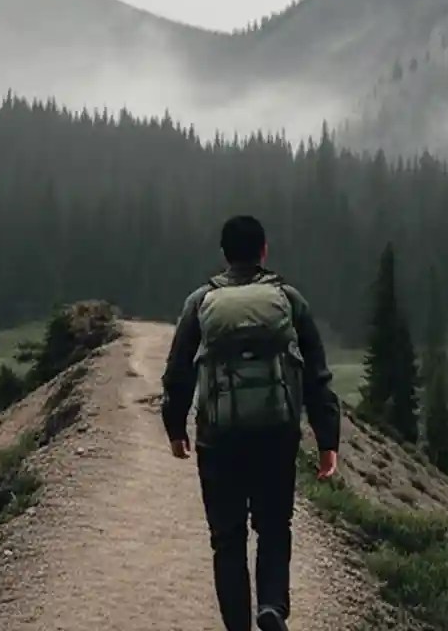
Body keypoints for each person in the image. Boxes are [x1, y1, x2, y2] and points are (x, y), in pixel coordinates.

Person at [162, 215, 342, 631]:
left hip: (218, 437)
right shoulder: (288, 298)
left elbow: (177, 374)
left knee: (227, 539)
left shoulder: (200, 302)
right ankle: (272, 607)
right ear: (264, 251)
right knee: (274, 526)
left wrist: (175, 428)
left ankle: (239, 626)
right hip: (276, 435)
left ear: (224, 254)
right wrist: (327, 438)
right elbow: (317, 374)